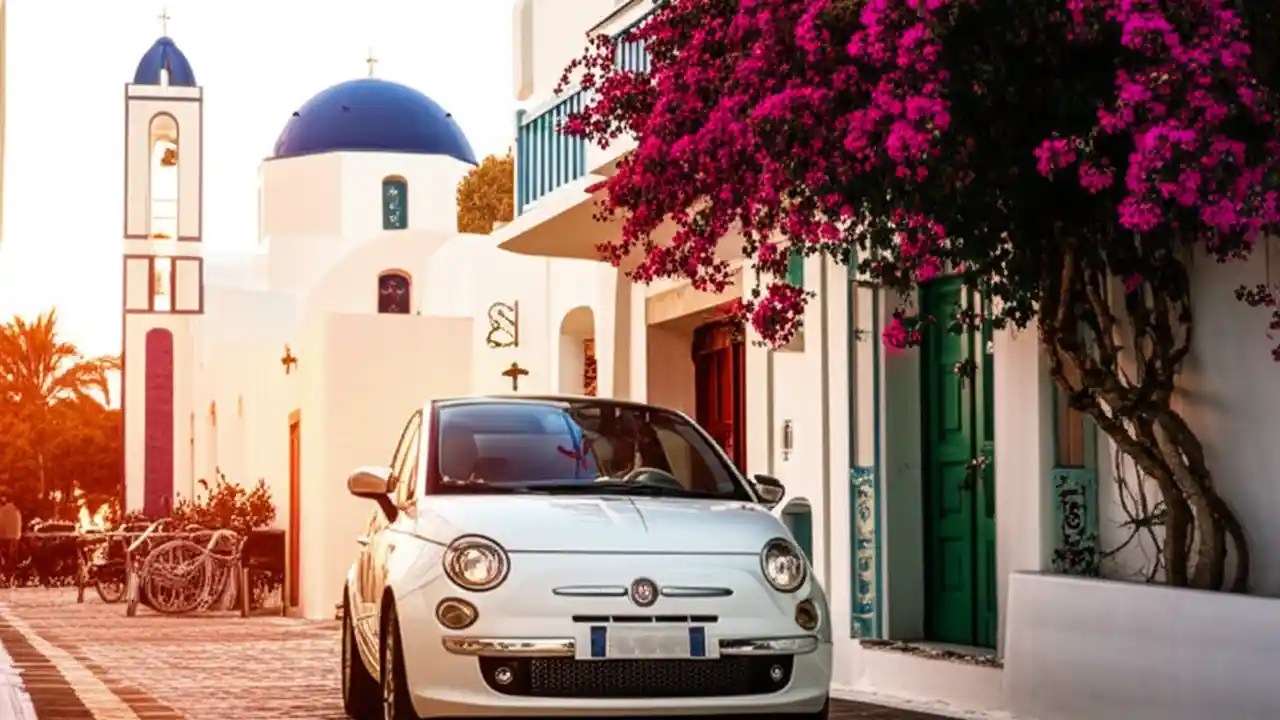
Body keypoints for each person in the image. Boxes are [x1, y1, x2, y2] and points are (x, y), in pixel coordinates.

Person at [0, 495, 21, 586]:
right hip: (14, 537)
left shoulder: (3, 511)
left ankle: (6, 575)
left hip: (4, 537)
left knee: (5, 557)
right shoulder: (16, 511)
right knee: (12, 557)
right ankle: (12, 576)